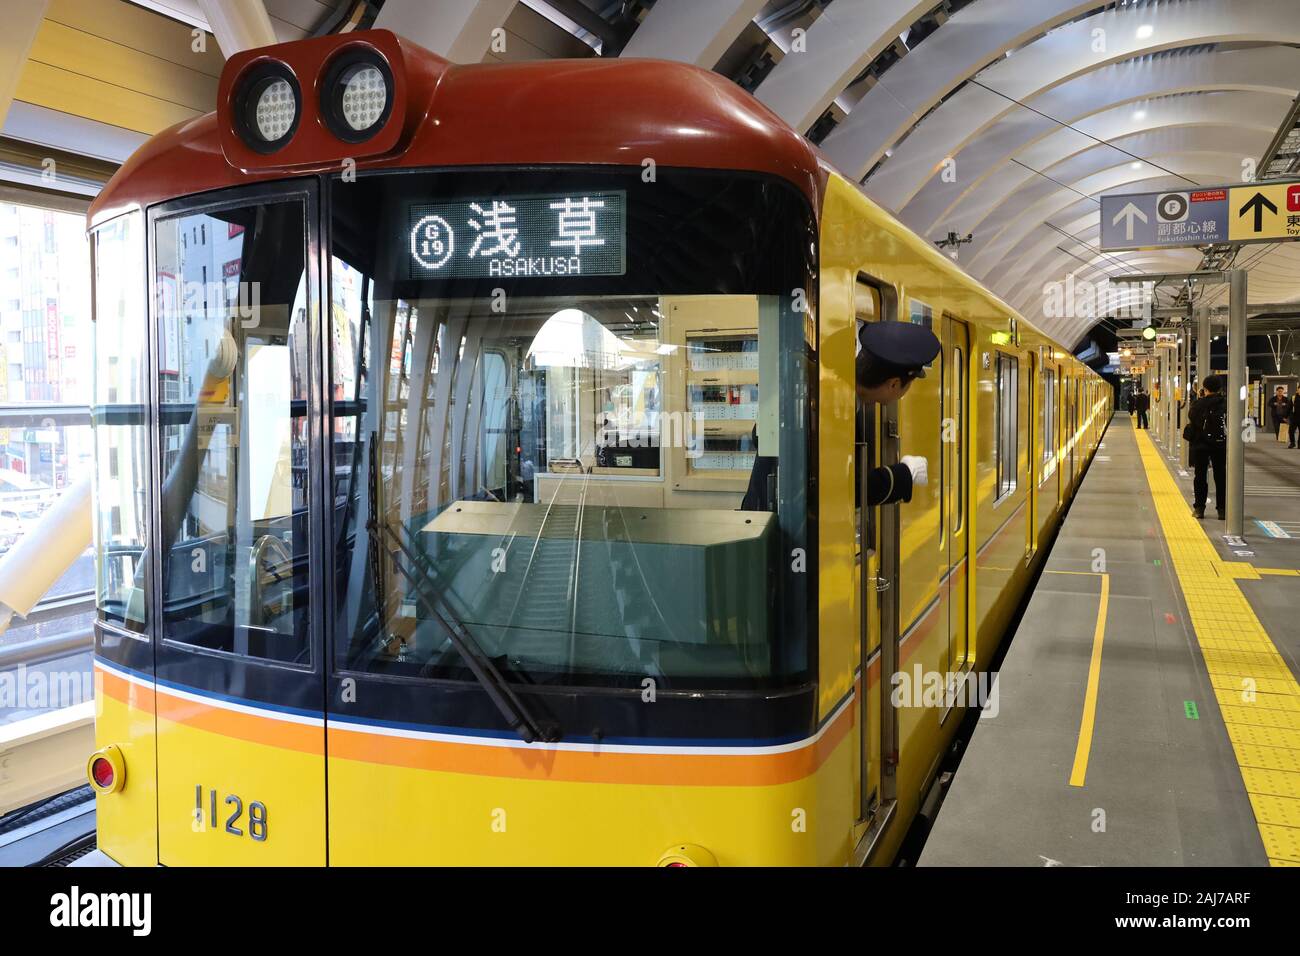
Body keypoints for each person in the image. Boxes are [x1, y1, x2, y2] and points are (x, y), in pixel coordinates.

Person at [740, 320, 939, 511]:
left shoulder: (827, 387)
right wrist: (905, 473)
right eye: (909, 385)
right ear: (894, 384)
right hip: (787, 529)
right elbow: (841, 486)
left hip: (768, 515)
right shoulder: (833, 403)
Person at [1185, 374, 1228, 520]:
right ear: (1220, 388)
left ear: (1204, 388)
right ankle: (1222, 510)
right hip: (1219, 444)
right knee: (1220, 476)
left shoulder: (1198, 404)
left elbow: (1192, 418)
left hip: (1201, 444)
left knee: (1200, 476)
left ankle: (1199, 509)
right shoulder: (1225, 403)